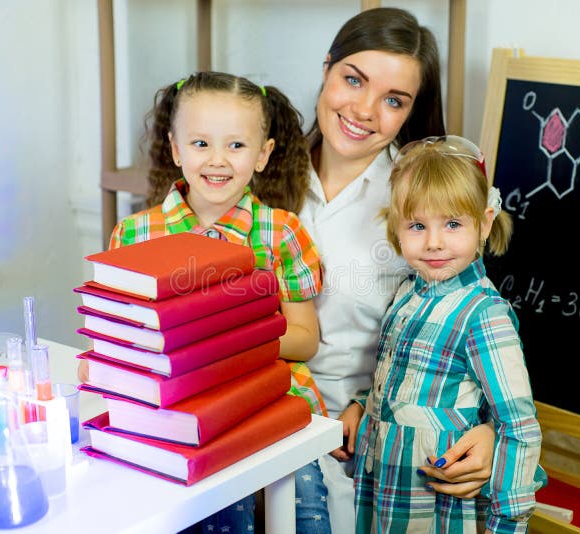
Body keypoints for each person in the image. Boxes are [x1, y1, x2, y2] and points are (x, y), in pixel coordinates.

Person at [79, 71, 330, 533]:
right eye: (200, 144)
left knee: (303, 503)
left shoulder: (281, 231)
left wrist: (223, 352)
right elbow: (119, 342)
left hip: (273, 401)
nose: (218, 160)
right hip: (171, 414)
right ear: (175, 148)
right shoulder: (134, 235)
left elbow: (305, 339)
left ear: (263, 155)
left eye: (236, 145)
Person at [298, 7, 498, 531]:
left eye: (393, 100)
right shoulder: (258, 169)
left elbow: (474, 331)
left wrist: (489, 433)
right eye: (353, 80)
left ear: (411, 113)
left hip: (357, 449)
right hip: (244, 428)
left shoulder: (417, 208)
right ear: (326, 69)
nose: (364, 110)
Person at [341, 135, 544, 532]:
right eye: (417, 225)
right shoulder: (406, 294)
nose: (434, 242)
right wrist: (362, 404)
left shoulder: (483, 315)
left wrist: (507, 524)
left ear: (484, 222)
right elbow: (400, 383)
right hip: (384, 496)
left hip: (436, 509)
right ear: (397, 229)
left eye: (453, 224)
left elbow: (517, 425)